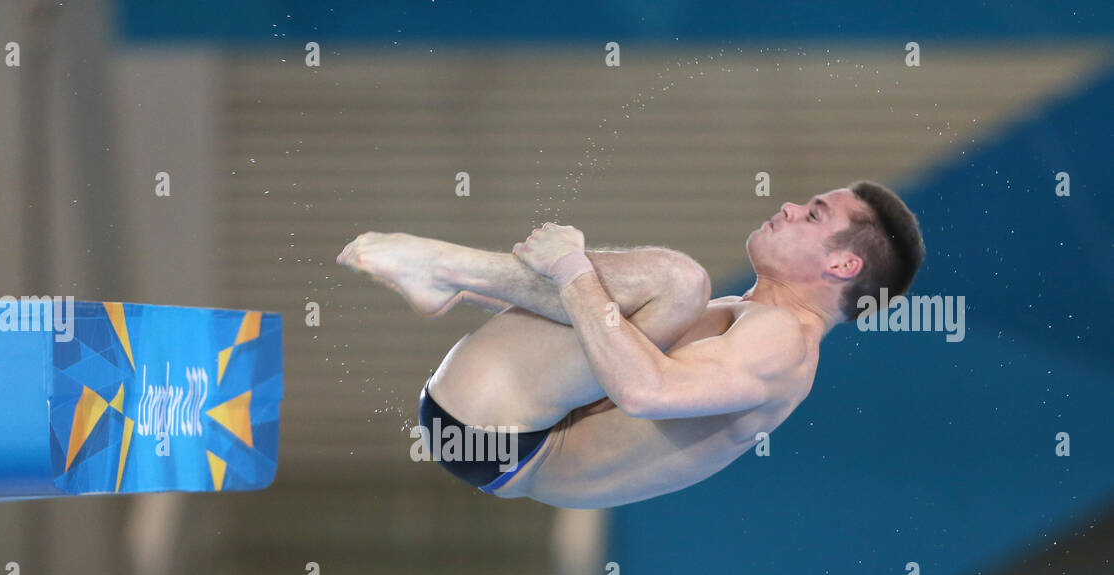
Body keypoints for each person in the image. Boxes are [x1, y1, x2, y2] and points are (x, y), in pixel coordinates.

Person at [337, 181, 924, 508]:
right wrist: (566, 282)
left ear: (843, 264)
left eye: (814, 215)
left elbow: (645, 390)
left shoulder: (785, 342)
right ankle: (447, 275)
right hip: (496, 440)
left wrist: (571, 270)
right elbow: (586, 343)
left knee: (677, 281)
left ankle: (445, 270)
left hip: (505, 436)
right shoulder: (750, 318)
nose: (792, 206)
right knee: (648, 297)